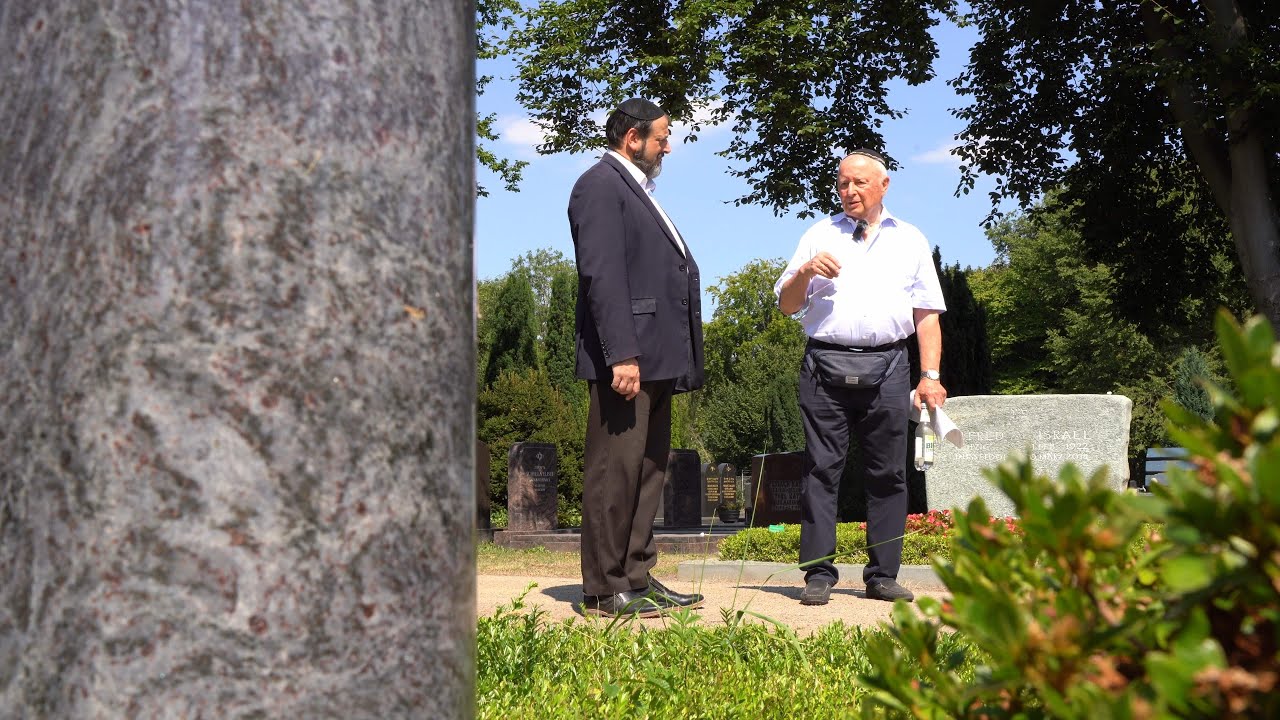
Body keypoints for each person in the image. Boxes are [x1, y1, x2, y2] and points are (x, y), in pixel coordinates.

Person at [773, 148, 947, 606]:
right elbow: (787, 305)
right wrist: (806, 271)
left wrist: (930, 375)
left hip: (890, 366)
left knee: (888, 473)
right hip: (823, 367)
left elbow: (927, 314)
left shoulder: (910, 239)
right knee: (820, 470)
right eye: (842, 182)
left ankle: (883, 575)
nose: (849, 190)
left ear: (883, 185)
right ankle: (818, 573)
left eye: (859, 182)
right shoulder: (819, 234)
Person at [568, 98, 706, 618]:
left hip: (658, 357)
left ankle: (637, 576)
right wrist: (621, 353)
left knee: (647, 471)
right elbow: (602, 275)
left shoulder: (637, 189)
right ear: (633, 139)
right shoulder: (600, 186)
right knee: (615, 472)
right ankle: (605, 588)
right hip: (628, 359)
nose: (668, 147)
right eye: (662, 138)